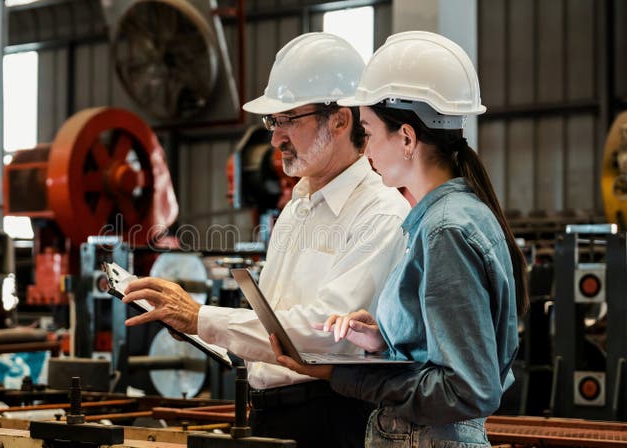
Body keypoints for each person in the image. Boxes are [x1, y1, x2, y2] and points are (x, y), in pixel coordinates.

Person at [121, 32, 411, 448]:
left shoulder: (380, 214)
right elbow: (274, 327)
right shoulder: (296, 210)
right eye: (273, 122)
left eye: (289, 119)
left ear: (341, 120)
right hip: (270, 414)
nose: (276, 138)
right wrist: (198, 330)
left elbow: (325, 335)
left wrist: (201, 317)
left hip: (330, 418)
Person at [270, 31, 530, 447]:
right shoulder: (447, 219)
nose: (365, 148)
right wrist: (384, 340)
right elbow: (443, 358)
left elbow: (466, 389)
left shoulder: (446, 230)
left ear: (407, 138)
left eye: (369, 132)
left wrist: (348, 375)